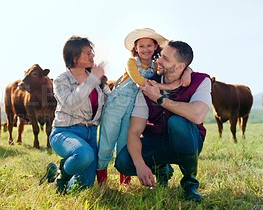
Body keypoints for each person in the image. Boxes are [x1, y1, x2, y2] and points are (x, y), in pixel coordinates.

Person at [114, 40, 211, 201]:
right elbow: (134, 132)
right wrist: (139, 164)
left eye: (165, 58)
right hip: (157, 142)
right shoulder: (148, 85)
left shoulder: (200, 81)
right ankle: (160, 168)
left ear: (181, 67)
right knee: (123, 161)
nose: (158, 60)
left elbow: (197, 115)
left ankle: (189, 183)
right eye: (161, 56)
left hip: (187, 141)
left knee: (178, 122)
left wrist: (159, 99)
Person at [97, 28, 192, 186]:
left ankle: (125, 184)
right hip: (117, 105)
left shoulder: (157, 65)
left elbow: (177, 66)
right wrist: (154, 85)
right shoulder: (132, 62)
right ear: (135, 48)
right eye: (141, 46)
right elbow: (137, 79)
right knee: (107, 143)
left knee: (123, 146)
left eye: (149, 45)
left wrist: (188, 70)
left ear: (155, 47)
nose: (145, 49)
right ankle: (102, 184)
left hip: (134, 109)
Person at [40, 36, 110, 194]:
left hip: (90, 134)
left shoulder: (98, 81)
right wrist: (92, 79)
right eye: (88, 54)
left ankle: (57, 172)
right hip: (65, 132)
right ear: (75, 58)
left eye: (92, 53)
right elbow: (70, 102)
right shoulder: (61, 80)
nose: (92, 57)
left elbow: (111, 101)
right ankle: (62, 178)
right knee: (84, 155)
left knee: (82, 187)